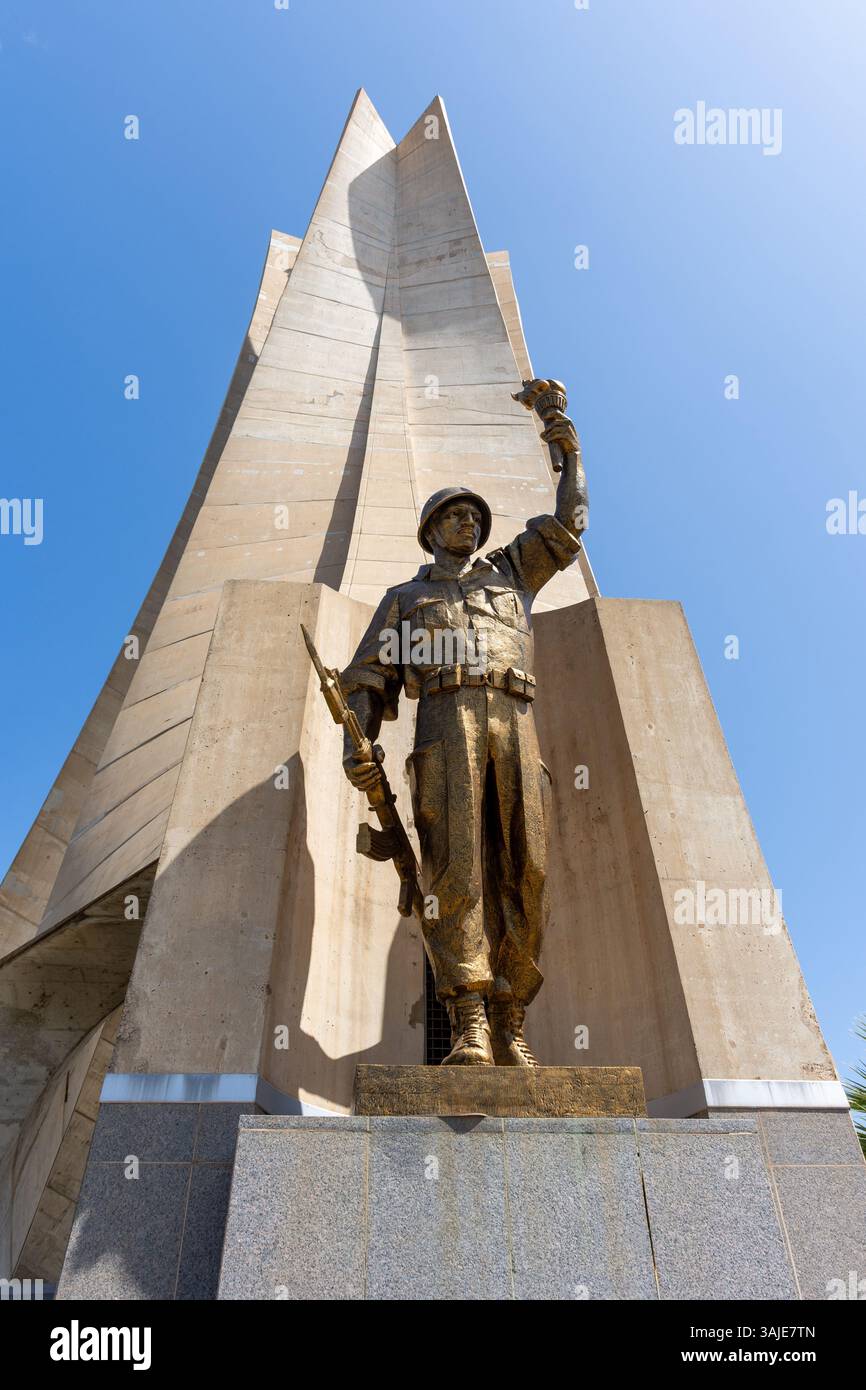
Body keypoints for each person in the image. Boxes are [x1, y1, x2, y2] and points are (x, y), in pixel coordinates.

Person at [340, 410, 587, 1065]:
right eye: (454, 517)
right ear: (431, 531)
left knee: (526, 869)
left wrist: (568, 450)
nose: (469, 524)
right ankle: (470, 1017)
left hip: (515, 722)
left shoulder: (510, 575)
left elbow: (567, 528)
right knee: (456, 872)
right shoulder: (406, 598)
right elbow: (366, 677)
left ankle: (512, 1020)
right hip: (446, 725)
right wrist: (356, 749)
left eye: (474, 517)